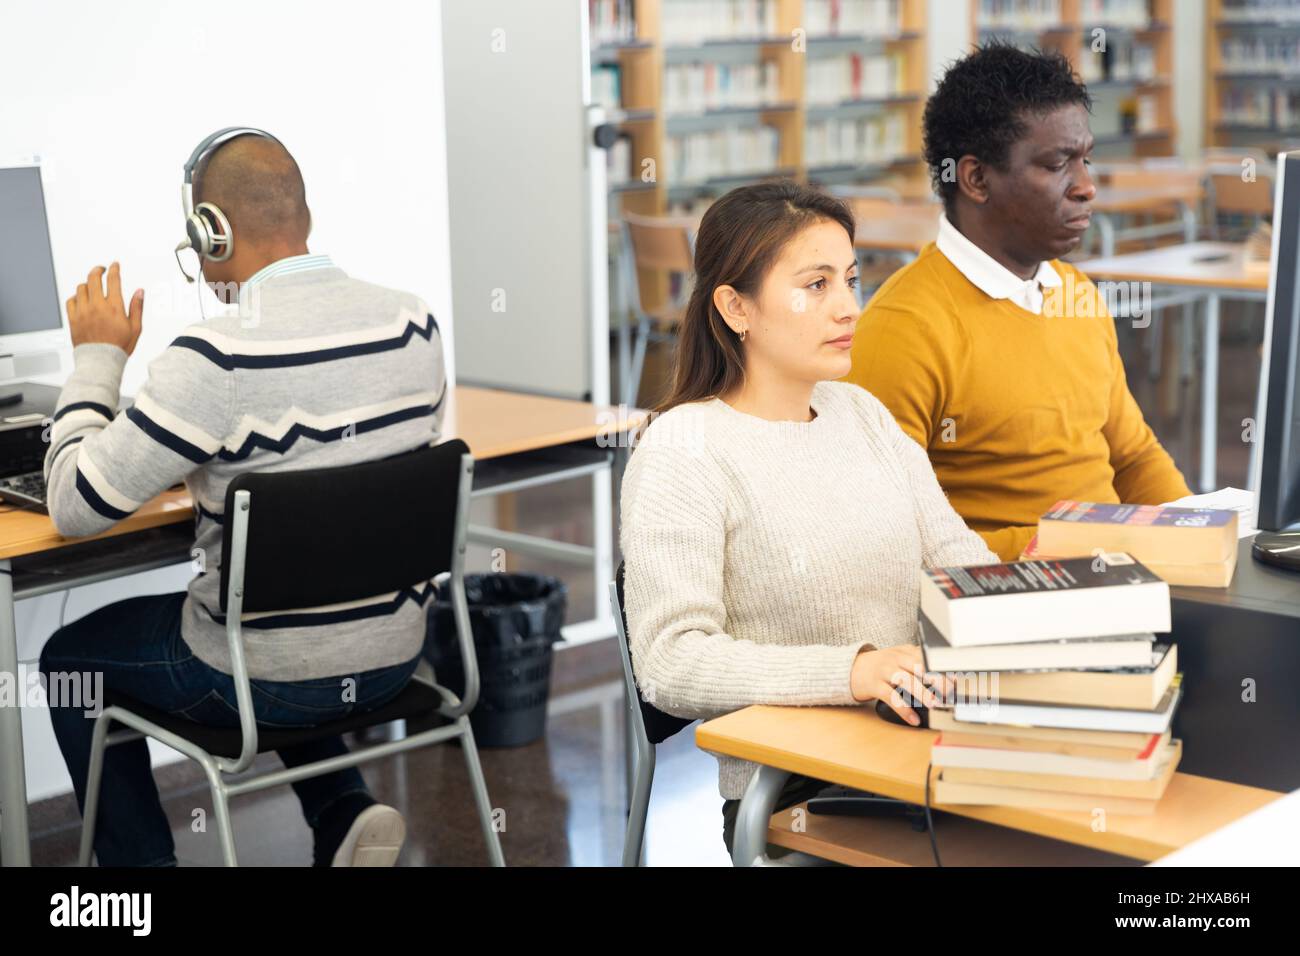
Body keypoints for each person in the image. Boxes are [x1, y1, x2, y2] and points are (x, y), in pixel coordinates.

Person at [39, 131, 447, 866]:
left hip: (264, 682)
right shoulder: (413, 323)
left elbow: (73, 503)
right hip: (395, 661)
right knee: (285, 601)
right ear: (304, 215)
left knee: (70, 659)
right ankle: (343, 811)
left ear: (209, 233)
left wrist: (98, 361)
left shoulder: (214, 357)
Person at [618, 181, 995, 856]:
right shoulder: (682, 449)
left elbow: (958, 558)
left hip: (918, 746)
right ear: (736, 307)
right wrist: (853, 672)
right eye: (815, 285)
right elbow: (668, 664)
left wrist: (1061, 618)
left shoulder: (861, 413)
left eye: (850, 280)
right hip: (799, 790)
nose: (849, 307)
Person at [844, 43, 1191, 561]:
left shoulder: (1075, 293)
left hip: (1111, 571)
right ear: (976, 179)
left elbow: (1134, 457)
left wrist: (1196, 538)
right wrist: (1072, 544)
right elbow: (881, 539)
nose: (1087, 187)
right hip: (1007, 602)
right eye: (1057, 165)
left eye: (1085, 159)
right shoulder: (903, 329)